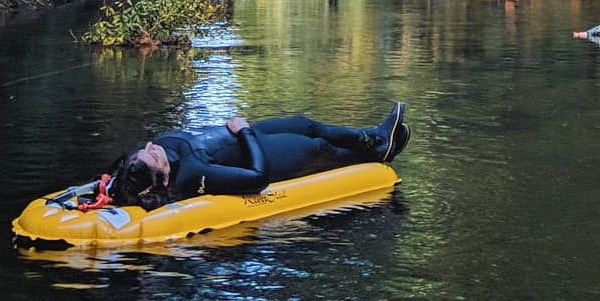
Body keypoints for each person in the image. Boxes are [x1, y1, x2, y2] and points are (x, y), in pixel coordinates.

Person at [108, 102, 409, 211]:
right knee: (318, 148)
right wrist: (244, 133)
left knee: (307, 124)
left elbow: (117, 173)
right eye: (151, 156)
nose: (150, 146)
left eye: (145, 149)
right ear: (161, 176)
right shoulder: (192, 172)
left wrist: (105, 189)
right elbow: (258, 179)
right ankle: (378, 154)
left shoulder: (134, 162)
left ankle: (375, 139)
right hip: (255, 150)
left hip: (242, 135)